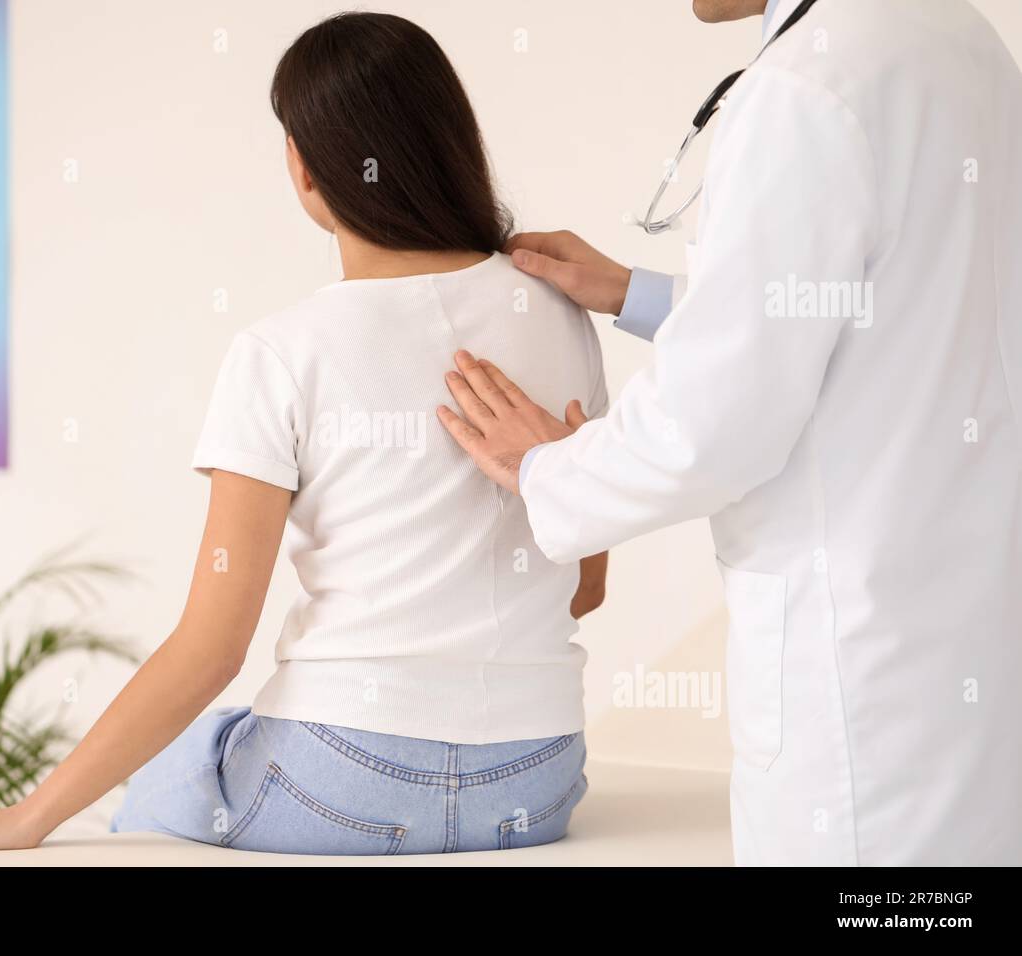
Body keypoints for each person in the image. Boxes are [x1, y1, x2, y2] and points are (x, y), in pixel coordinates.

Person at [0, 12, 609, 859]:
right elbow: (584, 589)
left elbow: (213, 648)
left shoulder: (281, 353)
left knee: (174, 771)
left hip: (345, 775)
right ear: (451, 140)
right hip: (536, 780)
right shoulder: (566, 316)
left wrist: (24, 819)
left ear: (305, 170)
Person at [438, 0, 1022, 865]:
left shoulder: (799, 86)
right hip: (971, 636)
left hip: (859, 668)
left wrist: (550, 469)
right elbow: (885, 319)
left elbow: (717, 427)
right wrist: (638, 293)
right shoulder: (956, 34)